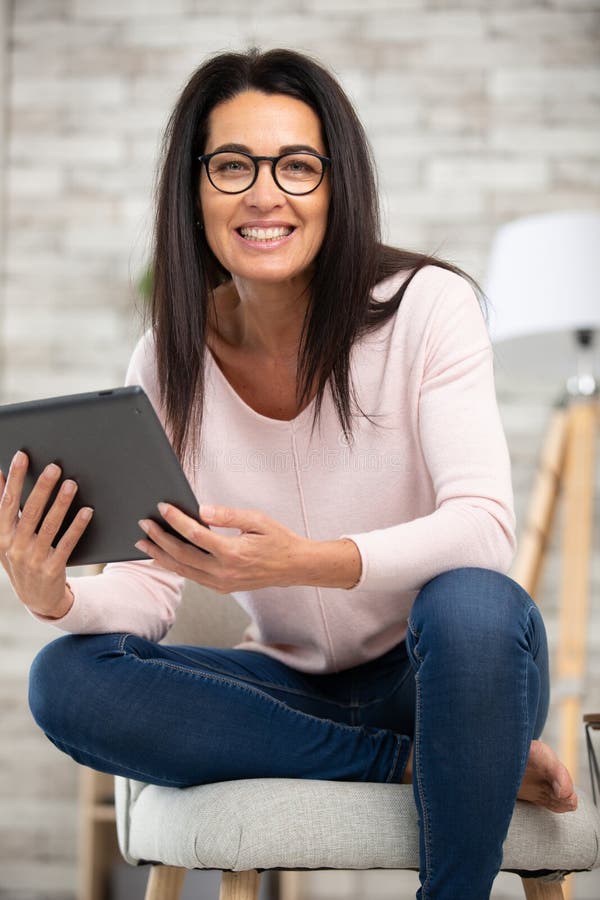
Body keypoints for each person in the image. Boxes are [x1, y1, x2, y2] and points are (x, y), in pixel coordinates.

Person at [0, 47, 577, 900]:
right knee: (66, 678)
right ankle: (408, 765)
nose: (264, 195)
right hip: (292, 692)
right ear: (193, 191)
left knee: (472, 600)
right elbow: (153, 587)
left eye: (297, 167)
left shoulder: (427, 307)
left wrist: (300, 560)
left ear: (335, 187)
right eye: (232, 165)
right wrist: (55, 595)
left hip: (451, 675)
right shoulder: (169, 360)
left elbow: (484, 528)